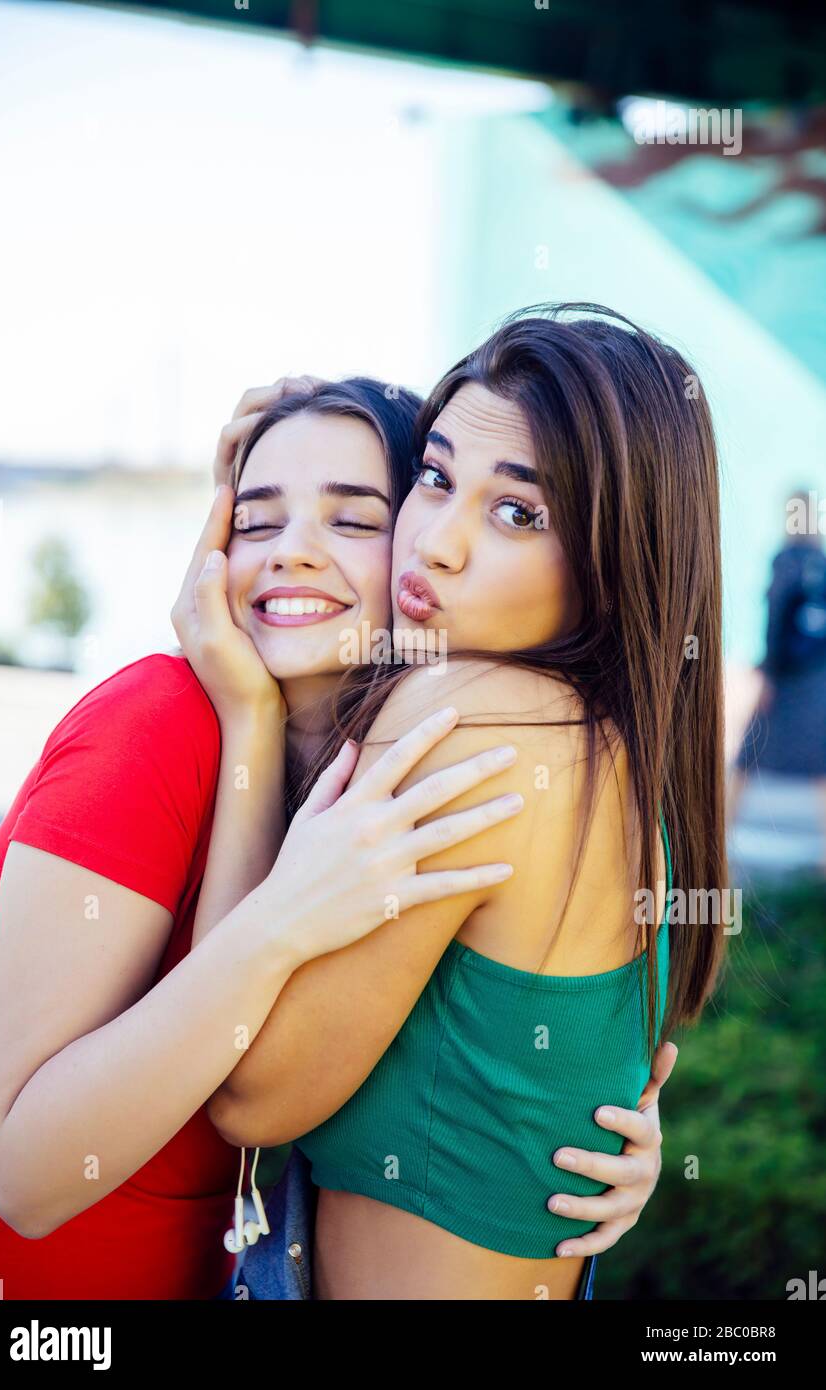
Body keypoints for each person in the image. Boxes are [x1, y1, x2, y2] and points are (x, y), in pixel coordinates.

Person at [0, 375, 666, 1302]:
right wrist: (277, 890)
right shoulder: (156, 724)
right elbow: (28, 1176)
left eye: (353, 519)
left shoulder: (394, 780)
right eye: (255, 522)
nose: (291, 553)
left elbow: (437, 1059)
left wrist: (584, 1129)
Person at [177, 302, 723, 1300]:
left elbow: (244, 1089)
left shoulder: (469, 716)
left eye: (519, 512)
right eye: (431, 477)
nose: (435, 541)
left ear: (618, 556)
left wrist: (248, 717)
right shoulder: (608, 750)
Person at [727, 489, 826, 872]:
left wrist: (766, 674)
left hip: (786, 682)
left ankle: (718, 837)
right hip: (818, 683)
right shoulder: (820, 561)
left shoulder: (786, 559)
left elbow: (774, 621)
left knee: (747, 757)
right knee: (820, 766)